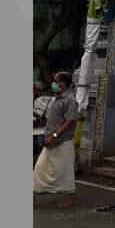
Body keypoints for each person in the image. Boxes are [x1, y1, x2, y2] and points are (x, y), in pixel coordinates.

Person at [33, 72, 78, 206]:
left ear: (63, 84)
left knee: (65, 171)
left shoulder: (70, 100)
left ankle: (70, 197)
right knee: (40, 167)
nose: (54, 84)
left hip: (62, 142)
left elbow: (69, 121)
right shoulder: (56, 98)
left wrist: (54, 136)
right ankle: (36, 192)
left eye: (56, 81)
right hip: (50, 141)